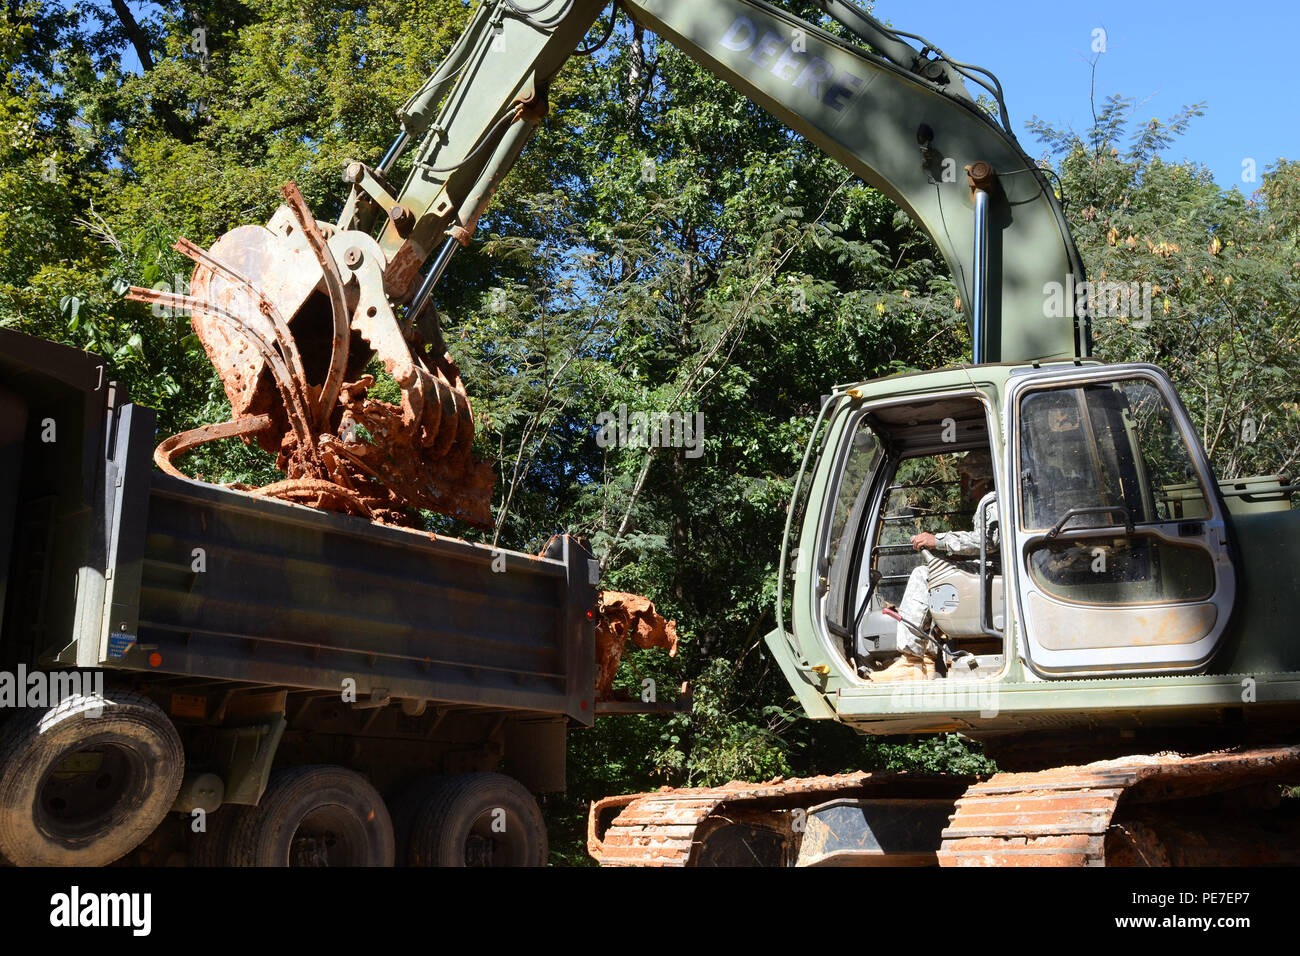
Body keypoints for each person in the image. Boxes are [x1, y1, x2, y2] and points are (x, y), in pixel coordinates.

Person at [871, 448, 999, 682]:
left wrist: (937, 540)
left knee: (925, 575)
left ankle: (911, 661)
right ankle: (927, 663)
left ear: (980, 478)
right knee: (939, 576)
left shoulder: (992, 502)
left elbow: (989, 541)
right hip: (992, 570)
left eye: (966, 478)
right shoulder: (991, 502)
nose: (962, 484)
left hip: (994, 573)